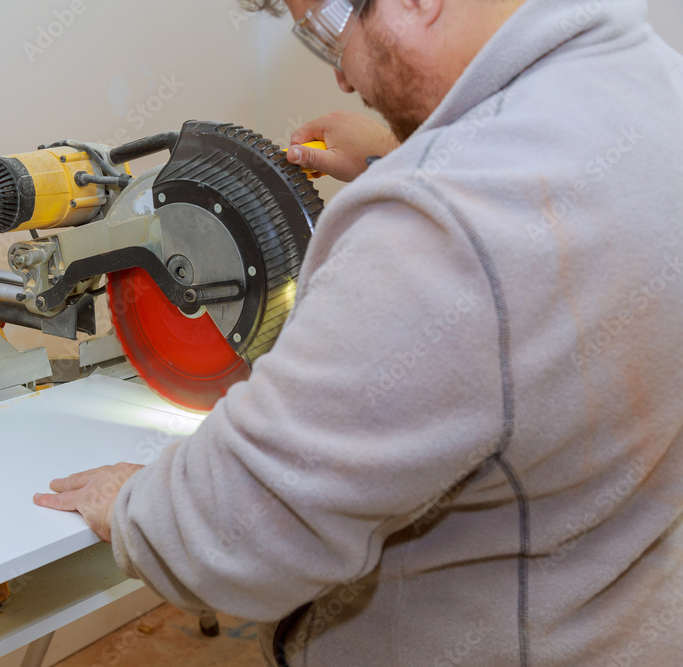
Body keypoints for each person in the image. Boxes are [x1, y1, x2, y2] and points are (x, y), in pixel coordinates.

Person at [35, 0, 683, 664]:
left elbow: (237, 534)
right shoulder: (650, 81)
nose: (342, 78)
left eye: (325, 31)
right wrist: (397, 157)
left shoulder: (442, 227)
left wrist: (138, 506)